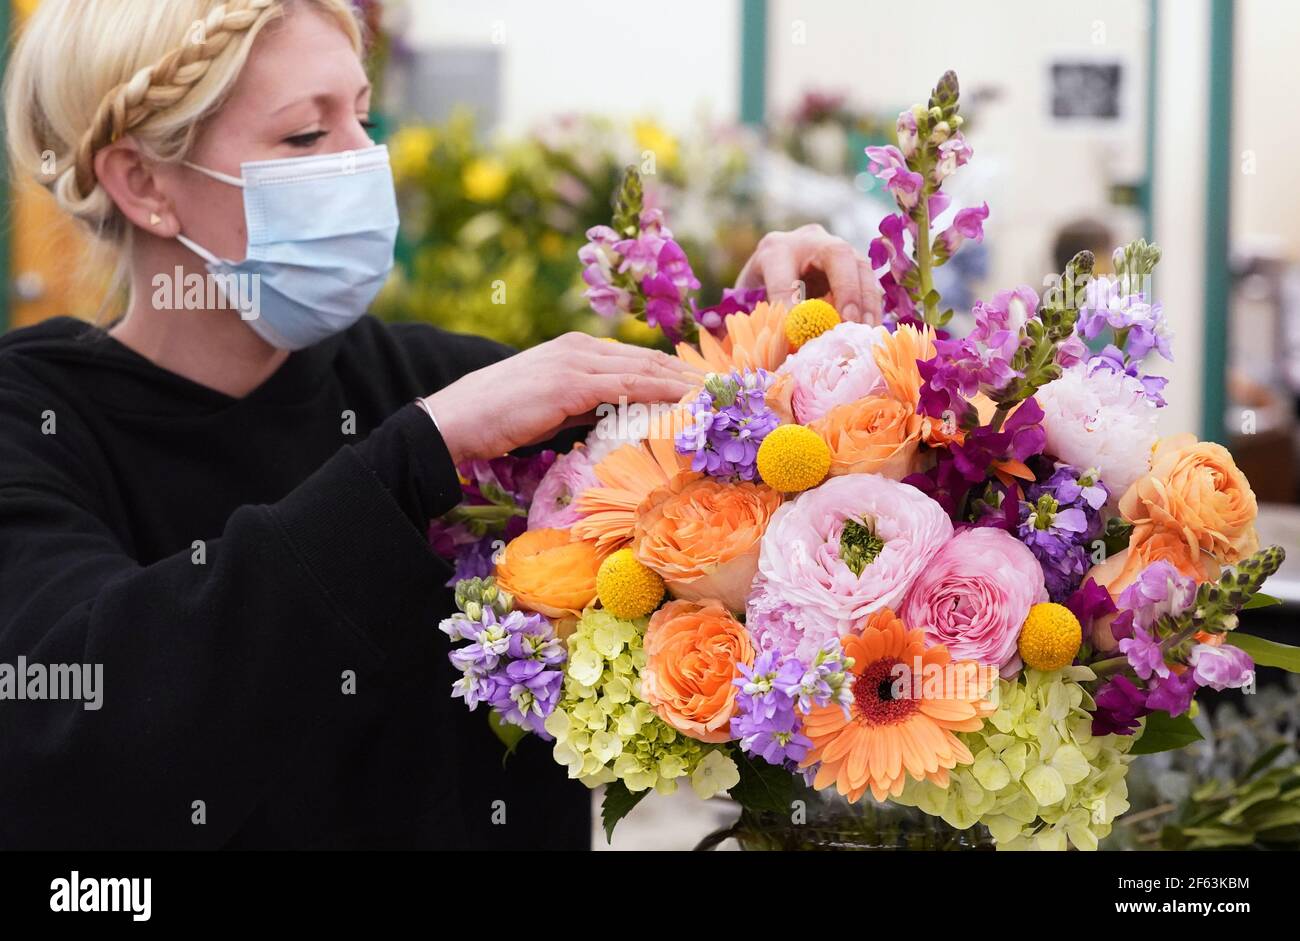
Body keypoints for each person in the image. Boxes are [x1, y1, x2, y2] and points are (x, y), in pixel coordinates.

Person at [0, 0, 882, 849]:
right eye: (305, 135)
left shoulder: (442, 382)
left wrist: (781, 341)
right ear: (144, 182)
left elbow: (692, 444)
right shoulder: (37, 422)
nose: (361, 163)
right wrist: (415, 455)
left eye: (361, 119)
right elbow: (85, 736)